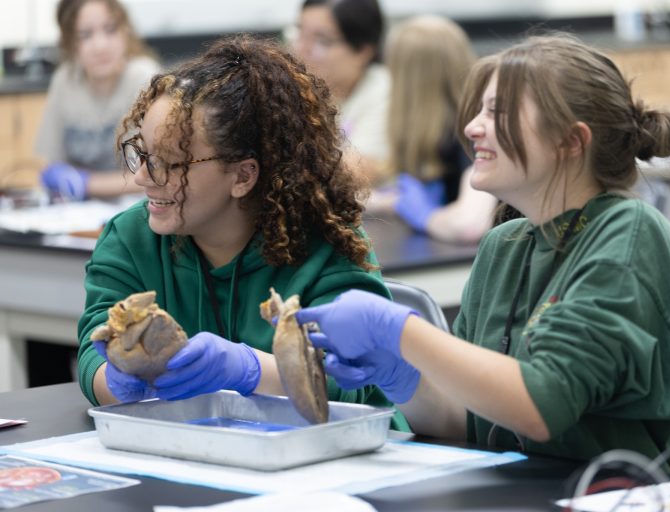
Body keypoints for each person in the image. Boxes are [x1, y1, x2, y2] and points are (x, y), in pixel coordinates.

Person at [295, 33, 670, 478]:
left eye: (498, 113)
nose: (473, 127)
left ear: (571, 141)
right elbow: (468, 424)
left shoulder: (629, 234)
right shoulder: (504, 245)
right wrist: (405, 381)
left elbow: (541, 404)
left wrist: (399, 330)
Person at [76, 34, 406, 430]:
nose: (143, 177)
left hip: (338, 458)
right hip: (202, 458)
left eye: (169, 163)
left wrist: (248, 370)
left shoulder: (326, 243)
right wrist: (118, 379)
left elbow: (352, 382)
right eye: (142, 155)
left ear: (243, 175)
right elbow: (92, 351)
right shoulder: (131, 238)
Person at [367, 15, 497, 243]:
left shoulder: (470, 132)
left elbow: (470, 224)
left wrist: (426, 216)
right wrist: (390, 202)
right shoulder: (431, 130)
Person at [36, 0, 160, 201]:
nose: (100, 46)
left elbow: (156, 174)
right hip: (77, 215)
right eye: (85, 35)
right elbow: (53, 163)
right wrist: (55, 175)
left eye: (110, 30)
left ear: (125, 32)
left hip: (135, 211)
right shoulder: (64, 80)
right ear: (70, 43)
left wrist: (87, 183)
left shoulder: (145, 79)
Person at [289, 0, 391, 186]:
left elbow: (352, 175)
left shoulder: (385, 92)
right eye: (299, 34)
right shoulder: (297, 89)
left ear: (363, 51)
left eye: (321, 41)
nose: (302, 50)